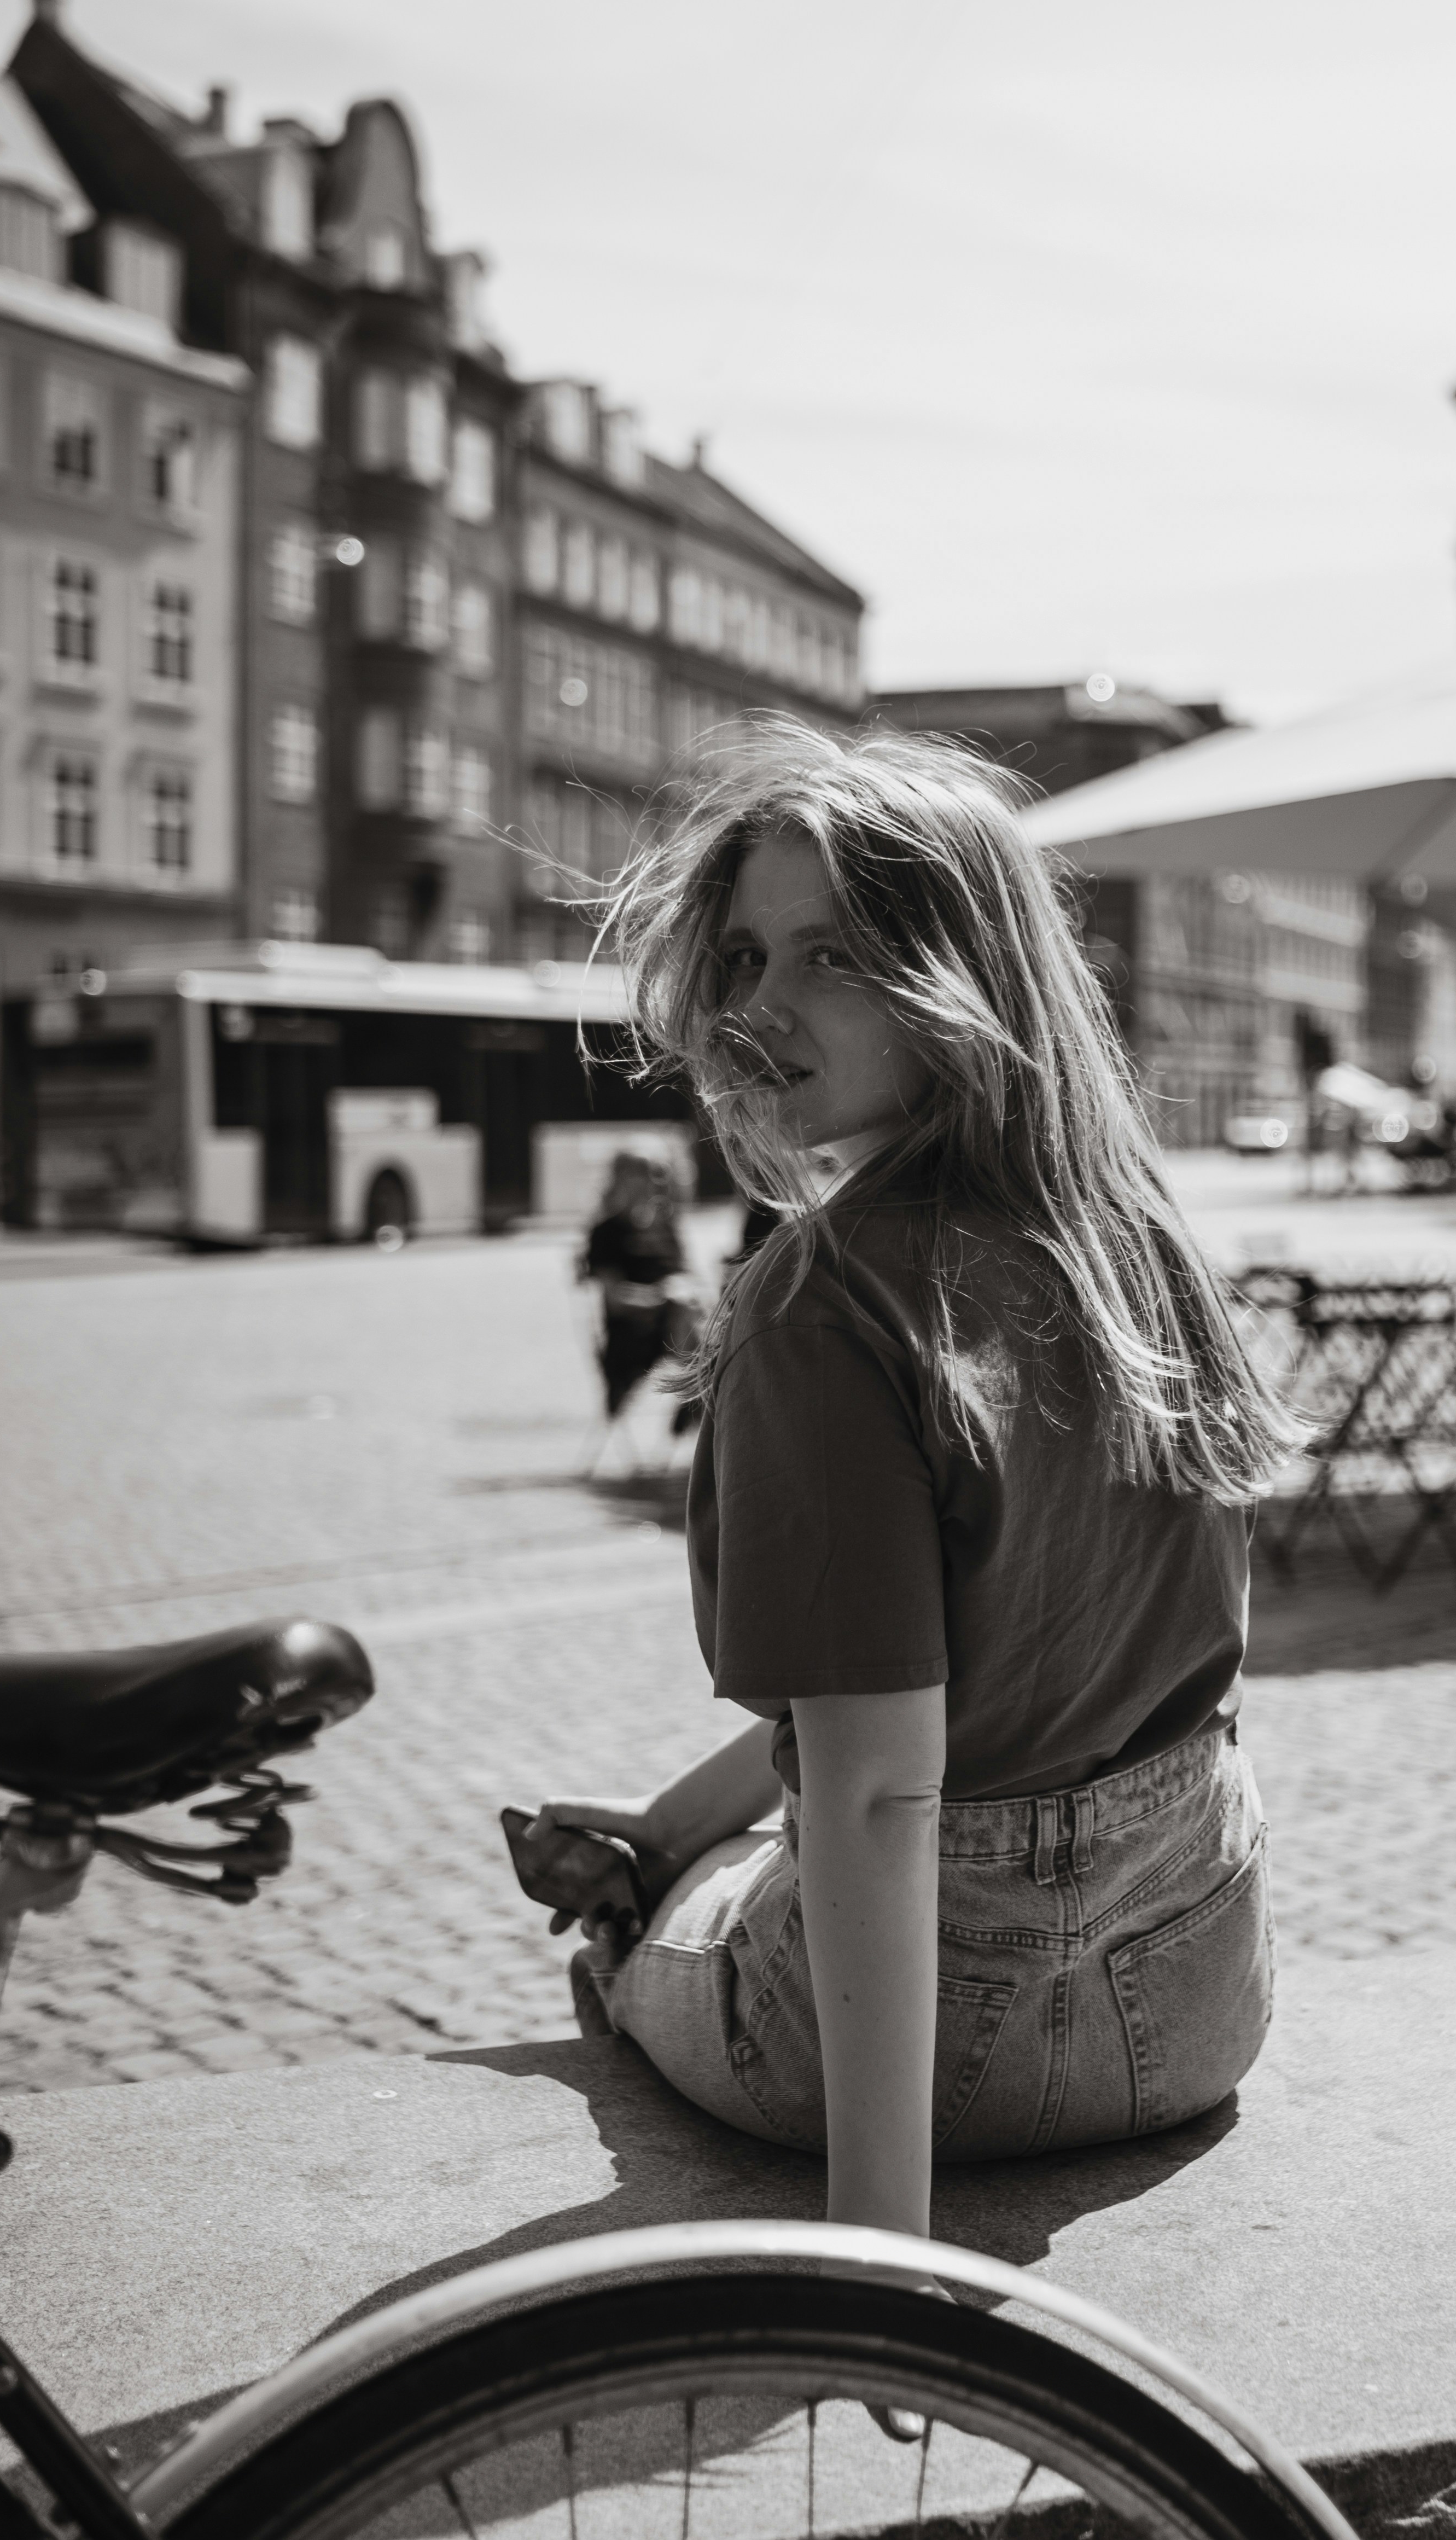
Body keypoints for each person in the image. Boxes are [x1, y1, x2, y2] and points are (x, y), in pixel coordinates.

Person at [506, 722, 1295, 2247]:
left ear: (964, 976)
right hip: (1196, 2000)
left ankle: (640, 1919)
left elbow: (875, 1783)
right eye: (741, 957)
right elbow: (955, 1690)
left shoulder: (825, 1298)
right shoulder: (1140, 1250)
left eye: (829, 957)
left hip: (932, 2063)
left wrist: (881, 2240)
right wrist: (678, 1813)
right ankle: (677, 1859)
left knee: (644, 1931)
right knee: (709, 1858)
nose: (758, 1008)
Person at [580, 1151, 691, 1431]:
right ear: (619, 1181)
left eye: (656, 1175)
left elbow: (688, 1277)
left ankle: (700, 1385)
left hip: (676, 1325)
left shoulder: (665, 1227)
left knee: (698, 1308)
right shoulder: (607, 1233)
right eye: (642, 1175)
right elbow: (615, 1300)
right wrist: (660, 1298)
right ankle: (700, 1386)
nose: (651, 1183)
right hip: (633, 1334)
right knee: (690, 1314)